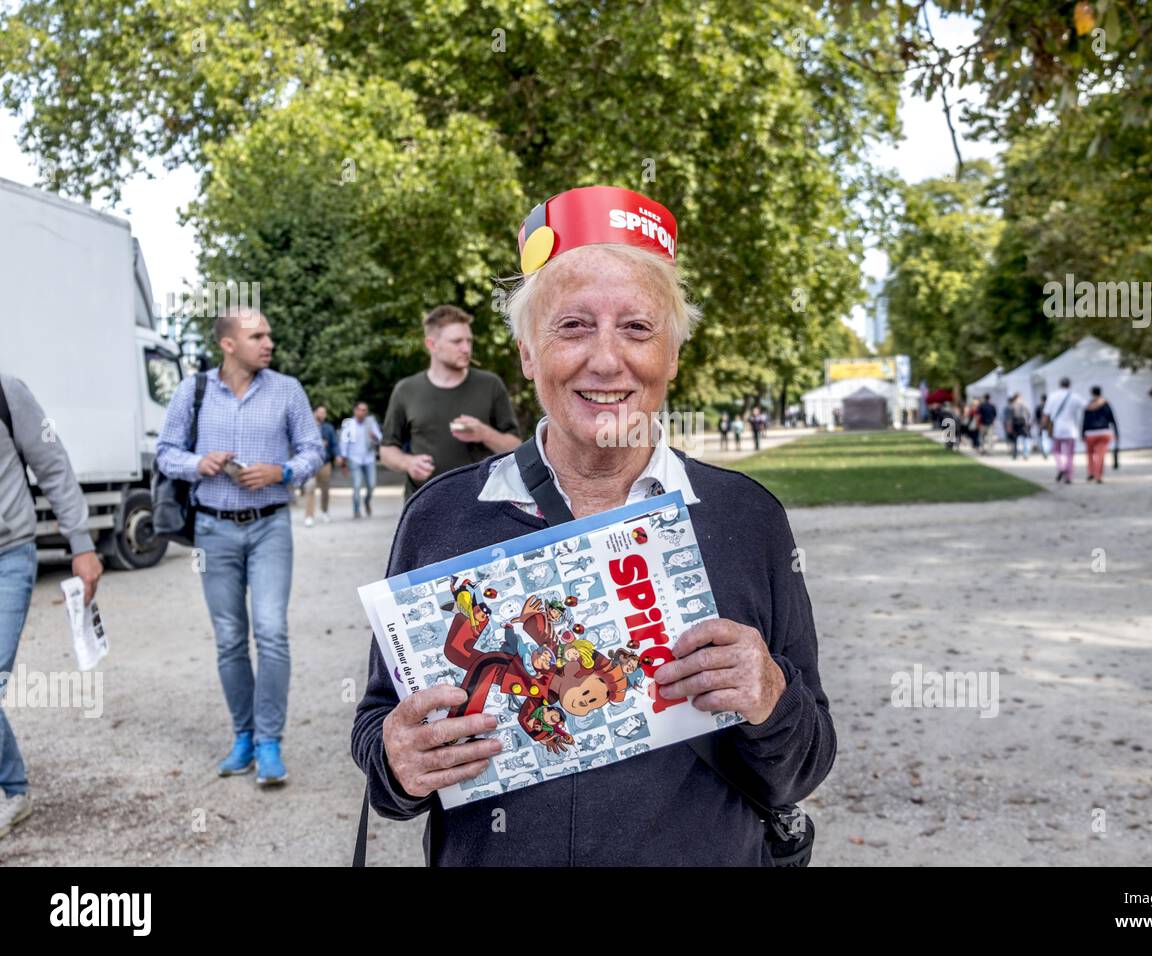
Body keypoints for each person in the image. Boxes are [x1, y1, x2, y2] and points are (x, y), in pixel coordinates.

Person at [352, 185, 835, 865]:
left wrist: (772, 696)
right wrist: (399, 763)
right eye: (573, 326)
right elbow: (379, 735)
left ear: (671, 353)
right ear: (527, 353)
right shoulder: (441, 514)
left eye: (637, 328)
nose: (606, 360)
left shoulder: (747, 518)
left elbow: (802, 766)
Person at [156, 307, 323, 787]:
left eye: (269, 333)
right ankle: (243, 736)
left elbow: (313, 450)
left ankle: (270, 741)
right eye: (257, 336)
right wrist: (199, 463)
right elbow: (166, 453)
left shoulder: (287, 389)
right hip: (213, 530)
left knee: (270, 631)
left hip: (270, 525)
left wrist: (282, 472)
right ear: (228, 344)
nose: (268, 342)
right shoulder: (194, 390)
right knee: (230, 638)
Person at [0, 374, 103, 839]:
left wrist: (80, 544)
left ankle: (13, 791)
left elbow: (53, 465)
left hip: (8, 554)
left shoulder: (6, 391)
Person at [379, 305, 521, 498]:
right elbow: (387, 451)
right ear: (432, 345)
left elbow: (515, 447)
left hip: (483, 506)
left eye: (469, 341)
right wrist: (408, 463)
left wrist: (483, 433)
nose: (466, 348)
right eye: (457, 341)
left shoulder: (490, 384)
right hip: (425, 506)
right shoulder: (406, 390)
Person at [339, 401, 383, 518]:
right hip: (355, 459)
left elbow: (380, 438)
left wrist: (375, 437)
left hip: (369, 459)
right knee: (357, 485)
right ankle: (356, 510)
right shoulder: (349, 424)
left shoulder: (370, 423)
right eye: (361, 410)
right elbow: (344, 443)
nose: (364, 412)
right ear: (355, 410)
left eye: (365, 410)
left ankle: (367, 501)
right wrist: (344, 462)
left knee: (371, 485)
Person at [1042, 376, 1086, 484]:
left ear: (1060, 384)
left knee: (1056, 451)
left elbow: (1046, 414)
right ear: (1069, 384)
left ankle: (1061, 467)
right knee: (1070, 454)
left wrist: (1043, 426)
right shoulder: (1075, 396)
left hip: (1057, 429)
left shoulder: (1053, 396)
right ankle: (1069, 476)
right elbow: (1086, 405)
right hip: (1071, 429)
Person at [302, 404, 338, 527]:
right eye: (321, 412)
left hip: (325, 462)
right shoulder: (305, 428)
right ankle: (309, 516)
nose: (323, 415)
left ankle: (324, 511)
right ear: (314, 413)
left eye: (325, 413)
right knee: (309, 488)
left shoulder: (328, 428)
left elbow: (334, 444)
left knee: (325, 489)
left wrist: (337, 456)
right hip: (310, 464)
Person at [1082, 386, 1120, 483]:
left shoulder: (1088, 405)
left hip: (1090, 433)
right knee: (1101, 455)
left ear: (1092, 393)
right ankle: (1099, 476)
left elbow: (1084, 420)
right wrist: (1116, 432)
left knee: (1090, 454)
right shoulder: (1106, 404)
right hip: (1104, 432)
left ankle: (1091, 472)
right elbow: (1112, 419)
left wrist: (1082, 433)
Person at [1004, 392, 1032, 460]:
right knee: (1025, 438)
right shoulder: (1023, 405)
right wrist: (1028, 422)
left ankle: (1016, 453)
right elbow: (1029, 415)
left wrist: (1009, 426)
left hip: (1016, 424)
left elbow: (1008, 418)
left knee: (1015, 440)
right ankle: (1025, 453)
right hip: (1021, 424)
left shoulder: (1011, 406)